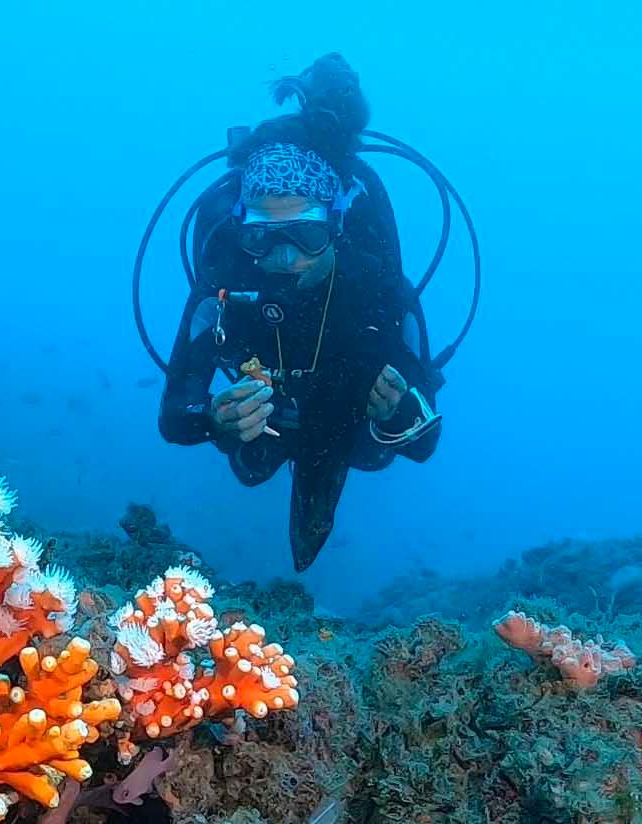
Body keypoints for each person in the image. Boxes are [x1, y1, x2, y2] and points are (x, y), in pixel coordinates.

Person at [158, 55, 441, 571]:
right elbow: (174, 414)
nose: (284, 258)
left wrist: (398, 411)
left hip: (348, 417)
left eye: (306, 236)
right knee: (250, 465)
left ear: (336, 224)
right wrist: (216, 419)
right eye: (261, 238)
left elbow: (426, 440)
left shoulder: (377, 285)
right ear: (241, 229)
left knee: (370, 453)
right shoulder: (224, 279)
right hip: (266, 418)